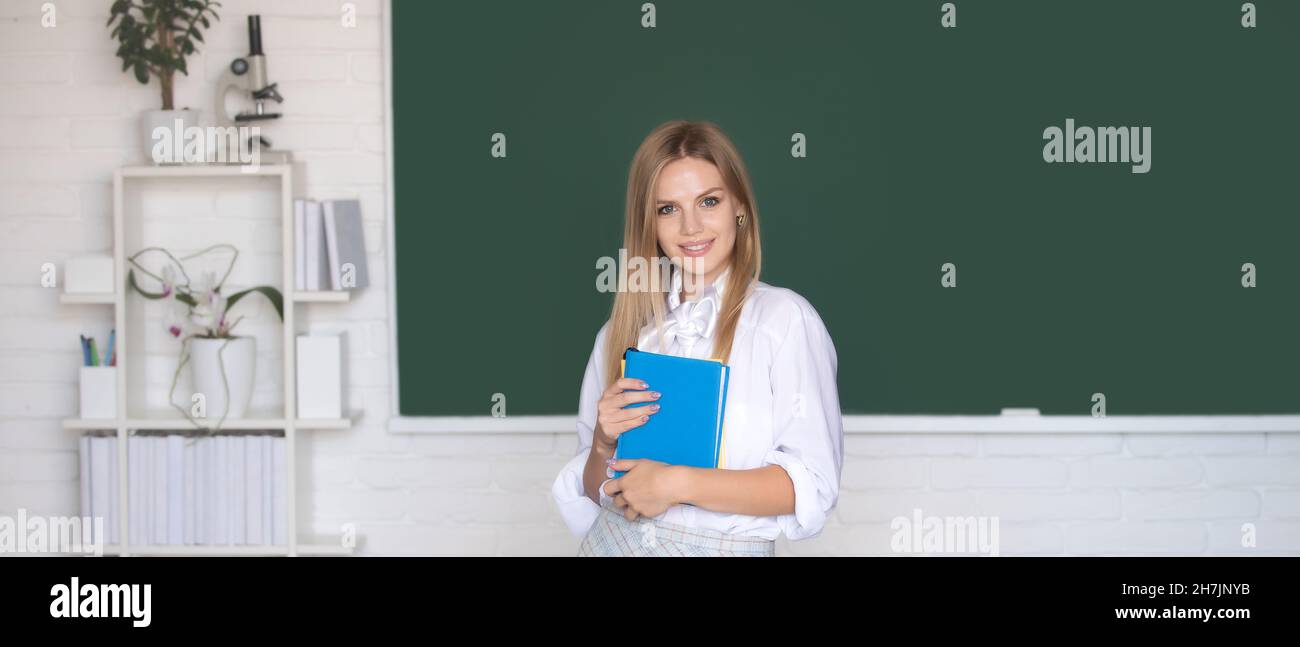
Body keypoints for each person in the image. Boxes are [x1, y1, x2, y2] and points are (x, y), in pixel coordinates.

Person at [551, 120, 843, 556]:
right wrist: (601, 445)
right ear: (648, 222)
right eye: (667, 208)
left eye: (709, 201)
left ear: (739, 206)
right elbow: (597, 492)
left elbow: (812, 484)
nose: (691, 227)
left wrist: (675, 483)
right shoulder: (621, 334)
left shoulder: (784, 321)